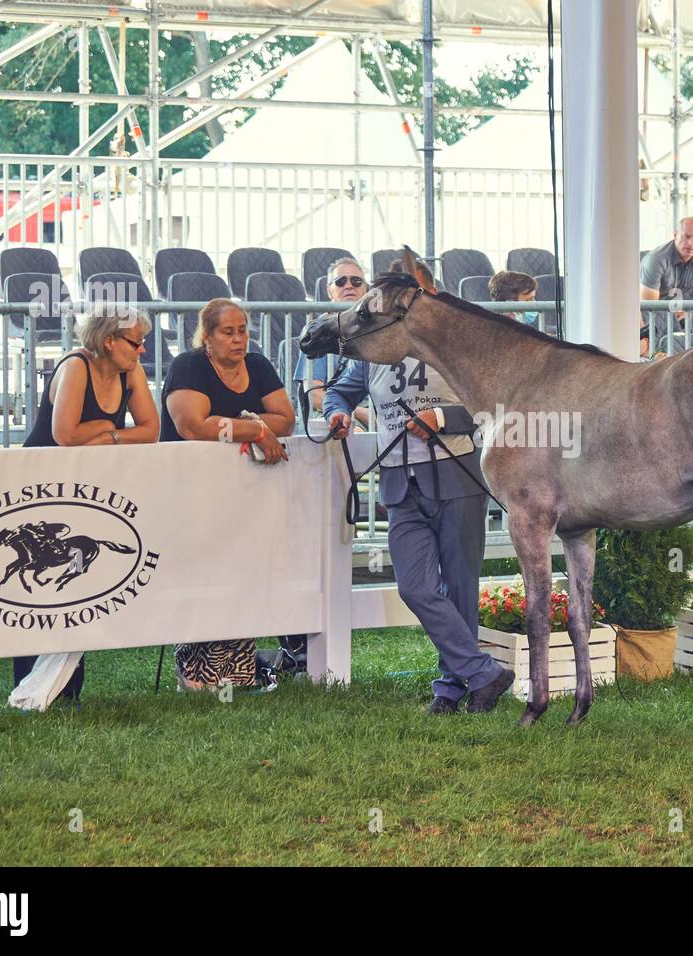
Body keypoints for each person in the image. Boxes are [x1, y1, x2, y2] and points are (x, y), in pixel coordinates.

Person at [322, 267, 514, 716]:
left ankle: (451, 688)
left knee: (461, 587)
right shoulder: (371, 347)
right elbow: (338, 393)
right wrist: (337, 414)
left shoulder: (460, 341)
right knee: (414, 586)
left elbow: (494, 406)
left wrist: (442, 419)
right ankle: (482, 672)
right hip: (398, 482)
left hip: (456, 476)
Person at [13, 302, 160, 702]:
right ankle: (29, 687)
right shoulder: (76, 366)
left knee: (76, 586)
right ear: (109, 341)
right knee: (38, 593)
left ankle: (66, 690)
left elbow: (151, 430)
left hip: (85, 489)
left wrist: (107, 434)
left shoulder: (130, 370)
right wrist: (107, 426)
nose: (142, 349)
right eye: (136, 342)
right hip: (40, 488)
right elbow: (64, 435)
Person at [161, 298, 297, 688]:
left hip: (244, 495)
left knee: (240, 572)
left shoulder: (258, 365)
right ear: (207, 336)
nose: (239, 339)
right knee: (203, 572)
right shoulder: (188, 366)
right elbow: (192, 426)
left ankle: (237, 673)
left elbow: (286, 420)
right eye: (228, 332)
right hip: (189, 490)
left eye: (243, 331)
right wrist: (254, 428)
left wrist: (239, 422)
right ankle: (195, 673)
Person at [293, 257, 370, 428]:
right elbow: (314, 395)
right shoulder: (320, 333)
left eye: (356, 281)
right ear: (329, 291)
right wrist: (362, 414)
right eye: (341, 281)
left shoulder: (377, 330)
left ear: (365, 289)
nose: (349, 286)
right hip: (334, 413)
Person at [639, 216, 693, 354]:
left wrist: (687, 312)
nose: (691, 243)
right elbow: (648, 305)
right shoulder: (656, 259)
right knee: (644, 345)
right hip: (636, 305)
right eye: (686, 236)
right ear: (675, 235)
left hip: (669, 302)